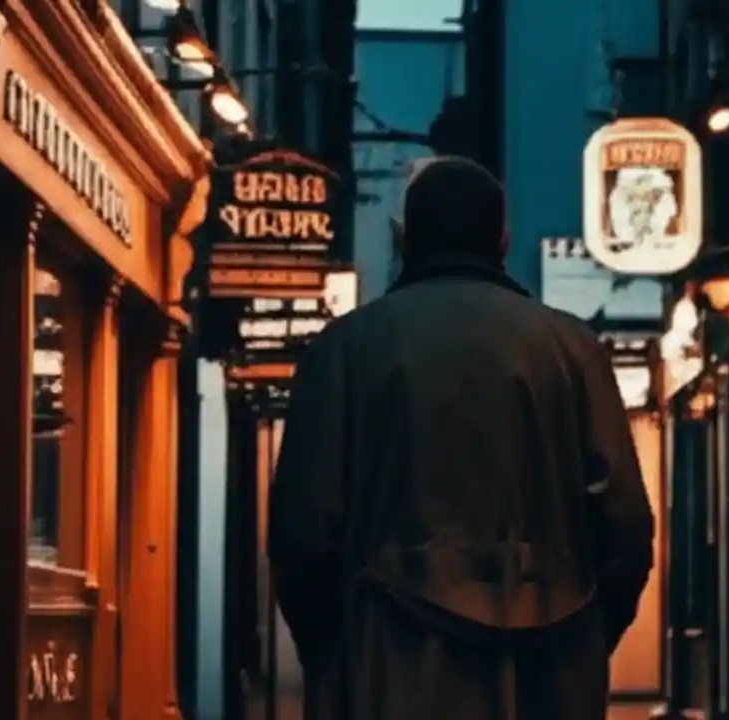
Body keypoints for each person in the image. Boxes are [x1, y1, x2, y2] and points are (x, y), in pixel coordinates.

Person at [268, 156, 655, 720]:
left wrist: (337, 654)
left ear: (405, 238)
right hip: (550, 663)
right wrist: (586, 634)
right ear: (503, 238)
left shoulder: (343, 350)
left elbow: (302, 536)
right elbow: (624, 530)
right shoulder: (574, 351)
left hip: (389, 661)